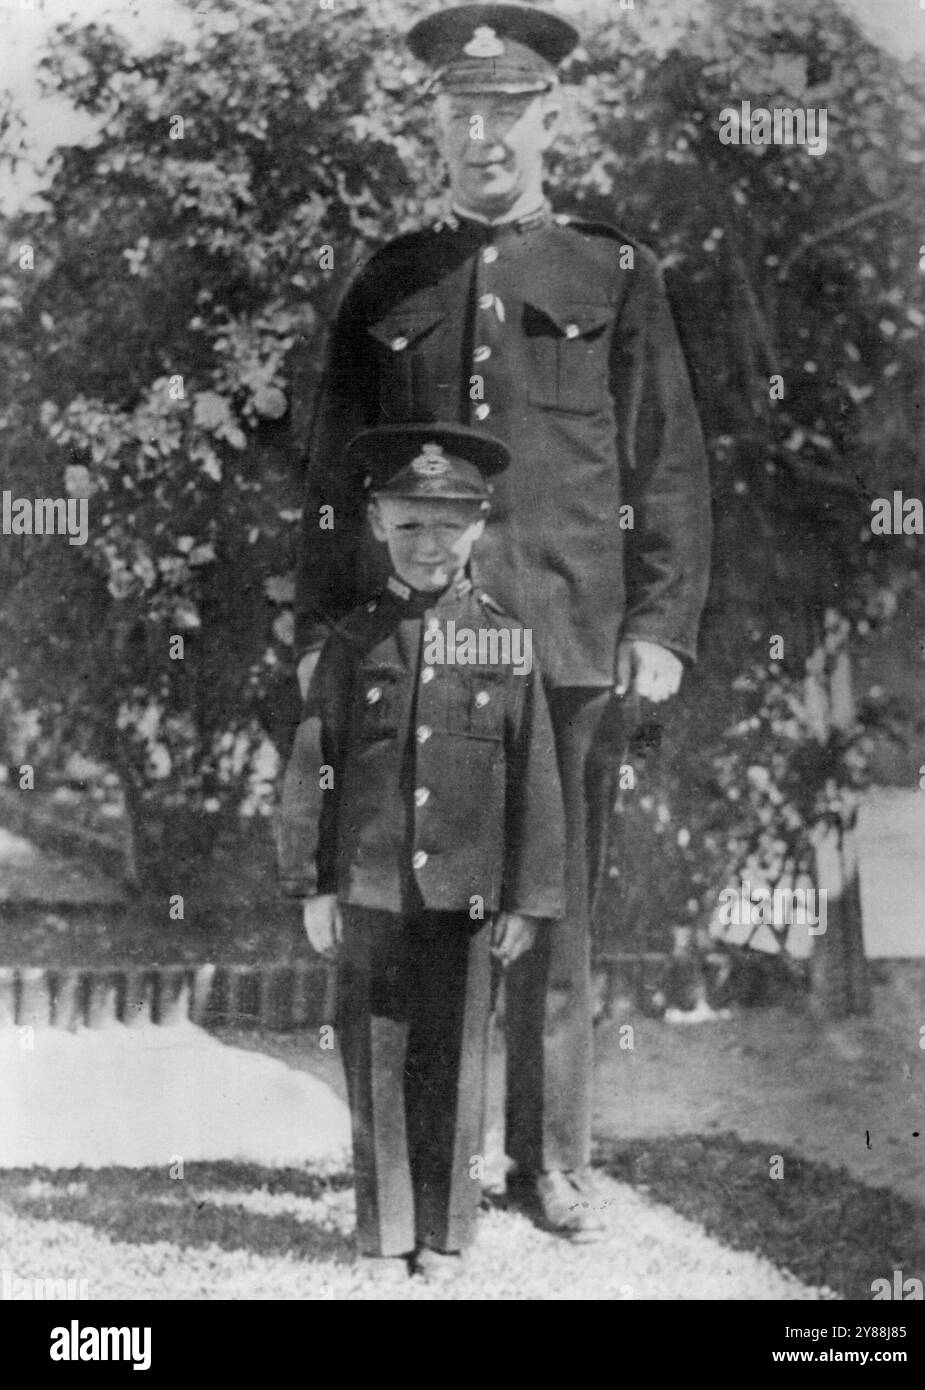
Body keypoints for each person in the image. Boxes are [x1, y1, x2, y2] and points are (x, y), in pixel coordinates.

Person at [293, 3, 712, 1238]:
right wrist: (323, 617)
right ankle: (439, 1161)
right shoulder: (389, 278)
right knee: (427, 913)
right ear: (438, 120)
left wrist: (663, 623)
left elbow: (667, 457)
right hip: (424, 652)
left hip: (570, 640)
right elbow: (330, 471)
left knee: (556, 909)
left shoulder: (610, 268)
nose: (485, 134)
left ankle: (551, 1158)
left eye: (508, 110)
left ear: (549, 117)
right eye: (462, 110)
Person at [278, 422, 565, 1280]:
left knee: (457, 1066)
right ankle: (385, 1234)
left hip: (470, 899)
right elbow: (312, 765)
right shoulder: (352, 641)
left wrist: (528, 899)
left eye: (449, 524)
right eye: (410, 525)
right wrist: (313, 884)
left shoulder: (506, 641)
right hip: (371, 893)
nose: (430, 544)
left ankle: (445, 1236)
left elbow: (535, 779)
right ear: (375, 525)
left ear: (480, 527)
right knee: (375, 1061)